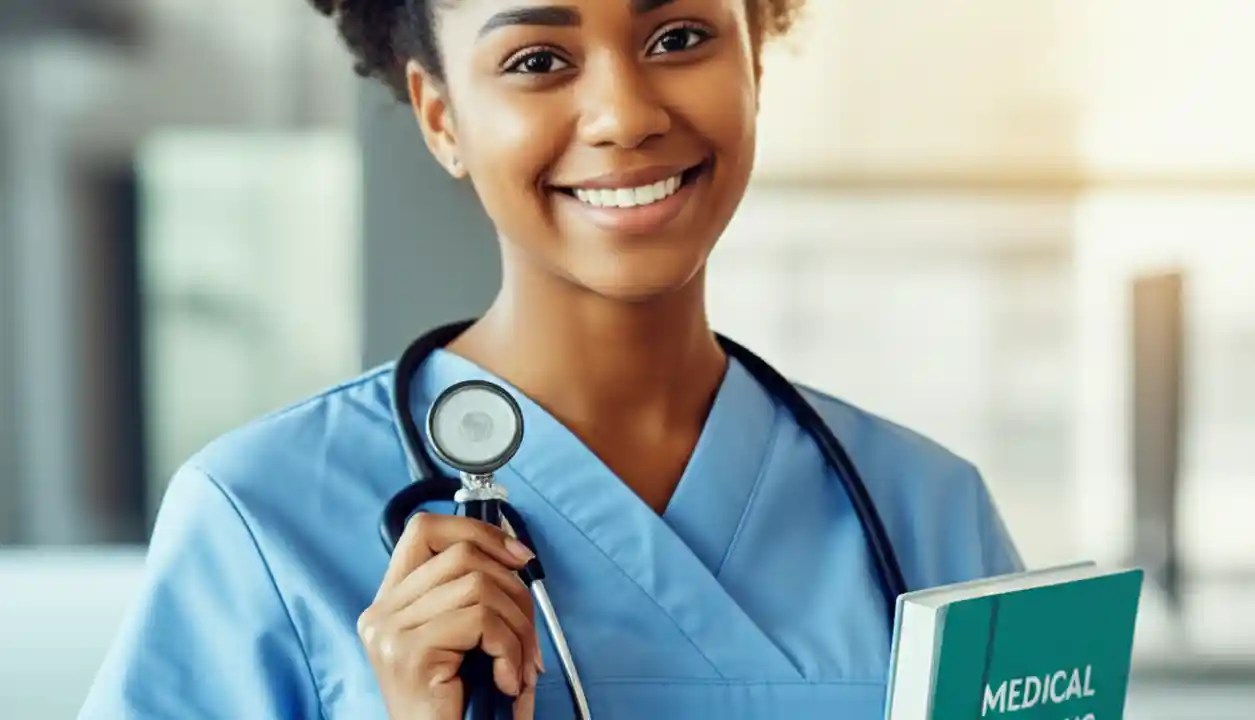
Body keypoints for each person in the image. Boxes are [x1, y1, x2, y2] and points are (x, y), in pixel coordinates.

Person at [80, 0, 1023, 717]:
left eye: (680, 37)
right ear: (441, 117)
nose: (624, 114)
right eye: (537, 60)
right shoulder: (261, 518)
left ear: (755, 62)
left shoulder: (930, 512)